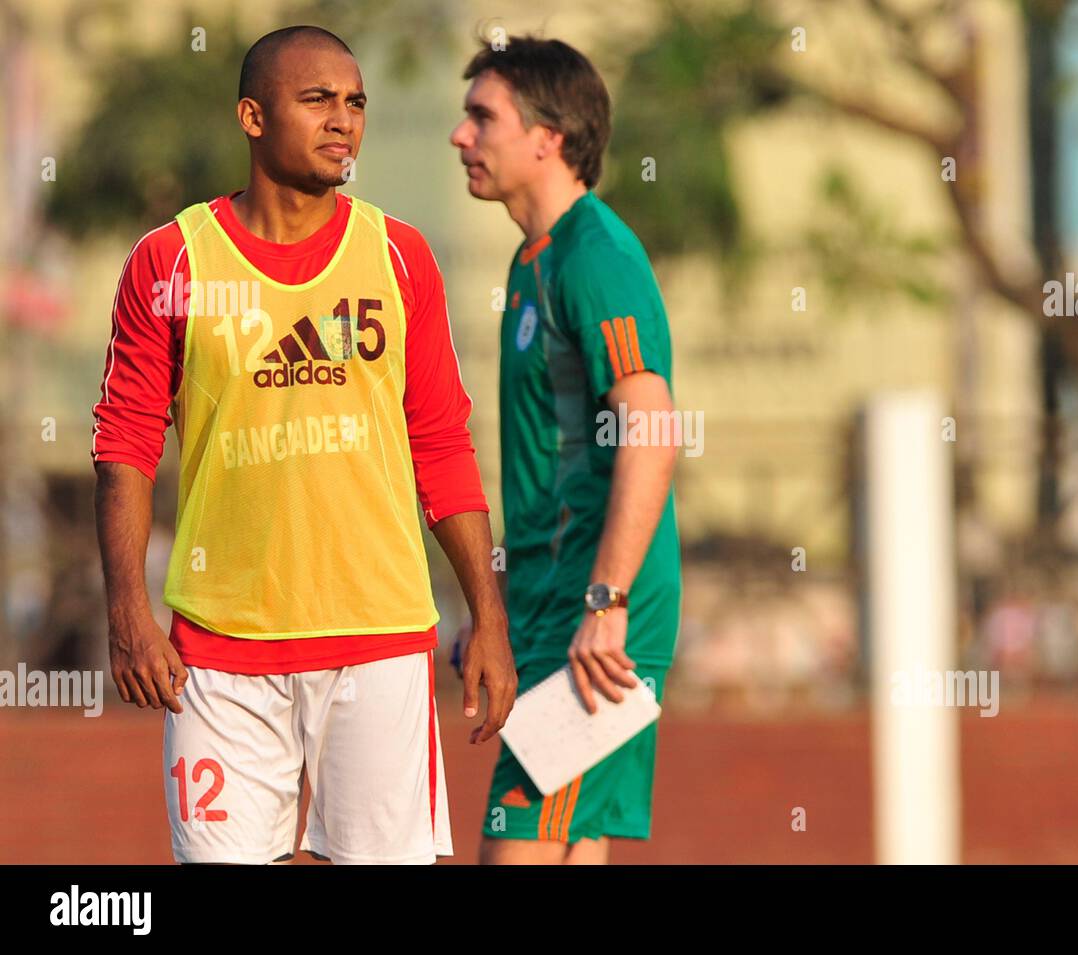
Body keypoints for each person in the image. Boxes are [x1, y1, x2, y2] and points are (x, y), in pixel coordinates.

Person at [91, 25, 516, 865]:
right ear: (252, 115)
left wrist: (486, 614)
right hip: (217, 650)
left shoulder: (399, 257)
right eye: (316, 99)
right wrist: (127, 611)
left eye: (355, 102)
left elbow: (440, 445)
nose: (343, 121)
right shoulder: (170, 260)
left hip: (381, 637)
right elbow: (124, 447)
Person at [450, 34, 682, 865]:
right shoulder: (530, 261)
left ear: (547, 137)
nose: (460, 136)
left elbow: (652, 428)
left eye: (483, 117)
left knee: (514, 847)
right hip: (560, 613)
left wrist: (606, 602)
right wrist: (499, 611)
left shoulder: (597, 256)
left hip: (601, 626)